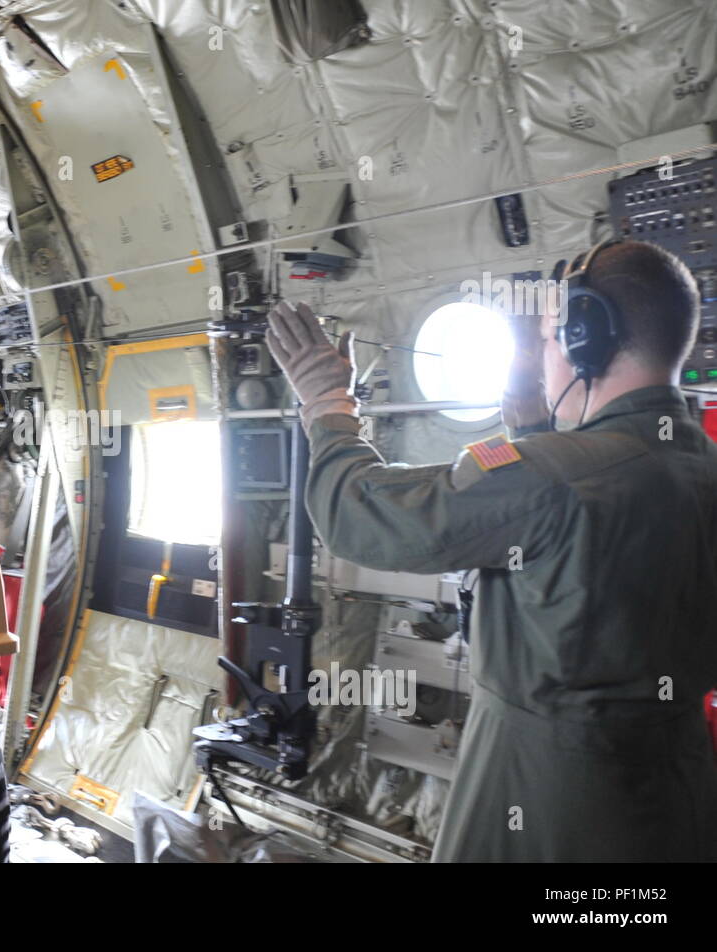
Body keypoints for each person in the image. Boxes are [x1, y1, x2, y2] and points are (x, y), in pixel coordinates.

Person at [265, 238, 717, 861]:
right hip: (675, 792)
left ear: (590, 340)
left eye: (553, 337)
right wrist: (532, 429)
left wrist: (326, 403)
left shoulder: (553, 473)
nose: (545, 355)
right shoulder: (698, 464)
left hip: (547, 798)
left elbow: (358, 514)